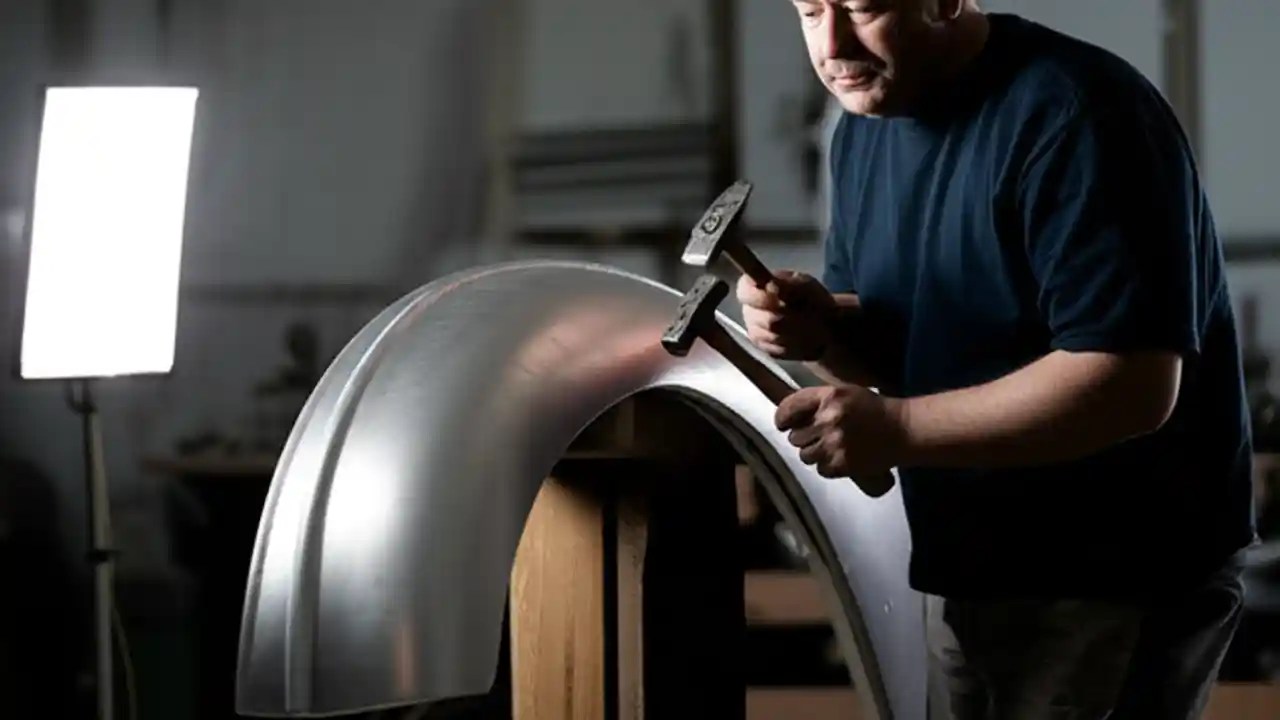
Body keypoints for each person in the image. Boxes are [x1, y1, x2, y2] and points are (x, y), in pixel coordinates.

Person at [738, 2, 1258, 718]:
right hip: (967, 559)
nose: (832, 44)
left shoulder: (1077, 114)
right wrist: (823, 332)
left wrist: (898, 429)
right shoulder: (861, 128)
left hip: (1109, 570)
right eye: (810, 11)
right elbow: (899, 346)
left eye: (862, 8)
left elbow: (1130, 382)